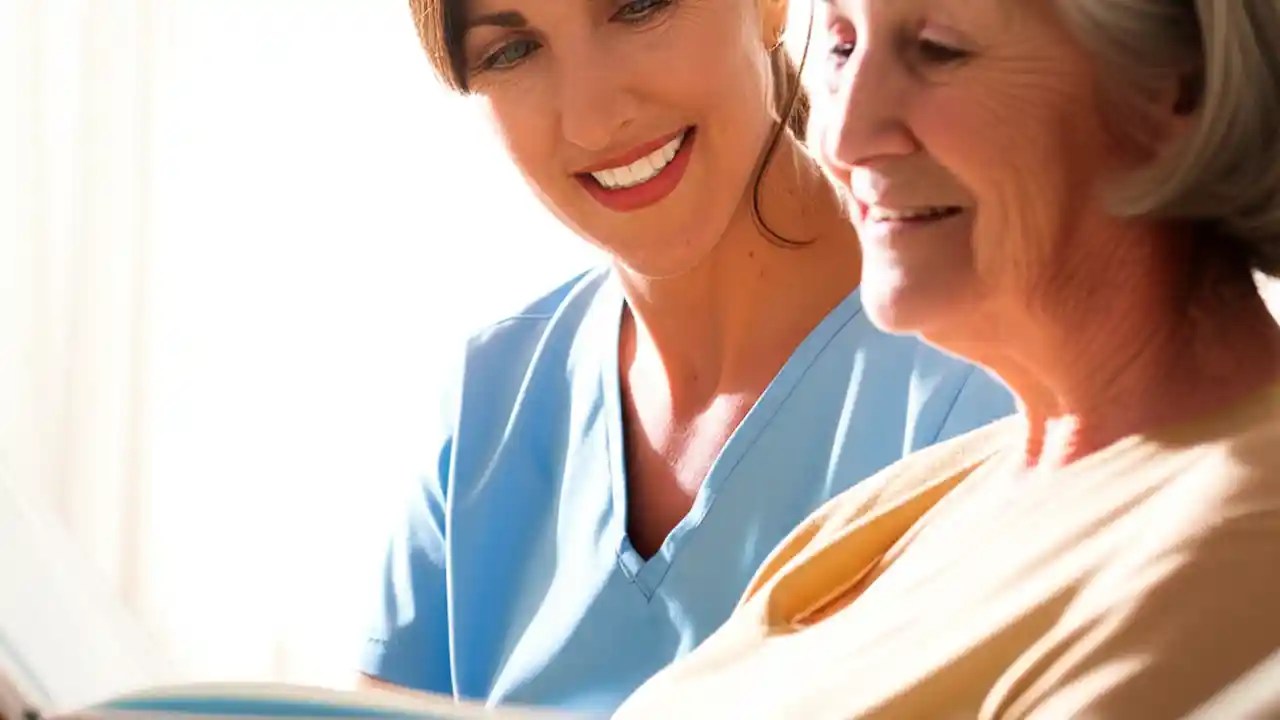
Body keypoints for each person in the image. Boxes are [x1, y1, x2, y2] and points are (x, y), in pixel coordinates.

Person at [617, 0, 1280, 717]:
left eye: (939, 50)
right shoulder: (919, 499)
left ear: (1175, 85)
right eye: (841, 46)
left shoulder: (1233, 552)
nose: (843, 138)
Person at [358, 0, 1013, 712]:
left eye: (639, 7)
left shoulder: (994, 386)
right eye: (512, 52)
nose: (593, 121)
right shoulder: (488, 408)